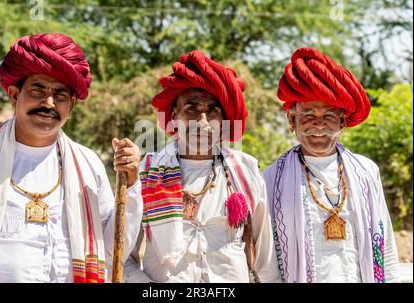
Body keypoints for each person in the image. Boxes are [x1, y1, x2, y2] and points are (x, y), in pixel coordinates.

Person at [0, 33, 143, 283]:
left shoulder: (89, 165)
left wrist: (132, 183)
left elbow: (112, 248)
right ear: (15, 95)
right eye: (38, 89)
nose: (48, 102)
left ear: (71, 105)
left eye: (59, 94)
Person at [123, 50, 279, 283]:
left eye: (212, 110)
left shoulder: (245, 171)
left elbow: (266, 264)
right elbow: (124, 260)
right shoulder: (145, 172)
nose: (203, 121)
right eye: (192, 109)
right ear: (174, 114)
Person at [262, 46, 400, 283]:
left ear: (342, 121)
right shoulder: (271, 179)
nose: (318, 125)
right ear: (292, 120)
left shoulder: (366, 171)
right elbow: (268, 263)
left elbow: (385, 246)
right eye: (307, 116)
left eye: (328, 115)